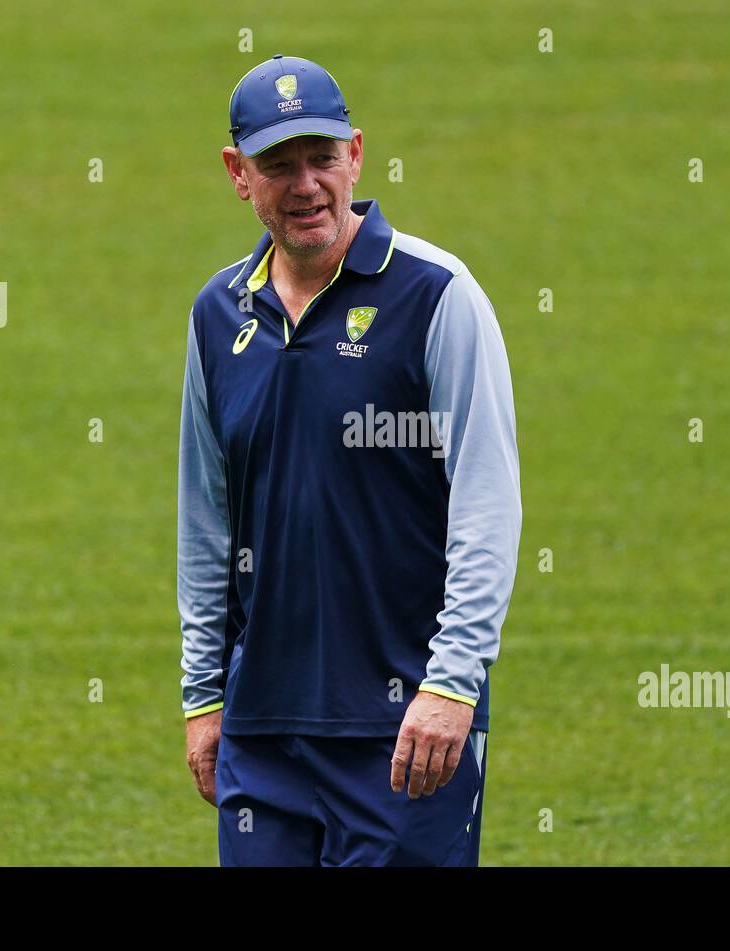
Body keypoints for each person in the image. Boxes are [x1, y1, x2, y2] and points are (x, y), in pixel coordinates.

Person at [177, 53, 521, 866]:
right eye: (278, 165)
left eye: (322, 159)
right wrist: (202, 693)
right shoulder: (218, 313)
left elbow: (487, 501)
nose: (306, 187)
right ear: (238, 174)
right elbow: (205, 519)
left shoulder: (436, 296)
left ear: (356, 155)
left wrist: (451, 684)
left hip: (403, 734)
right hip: (262, 735)